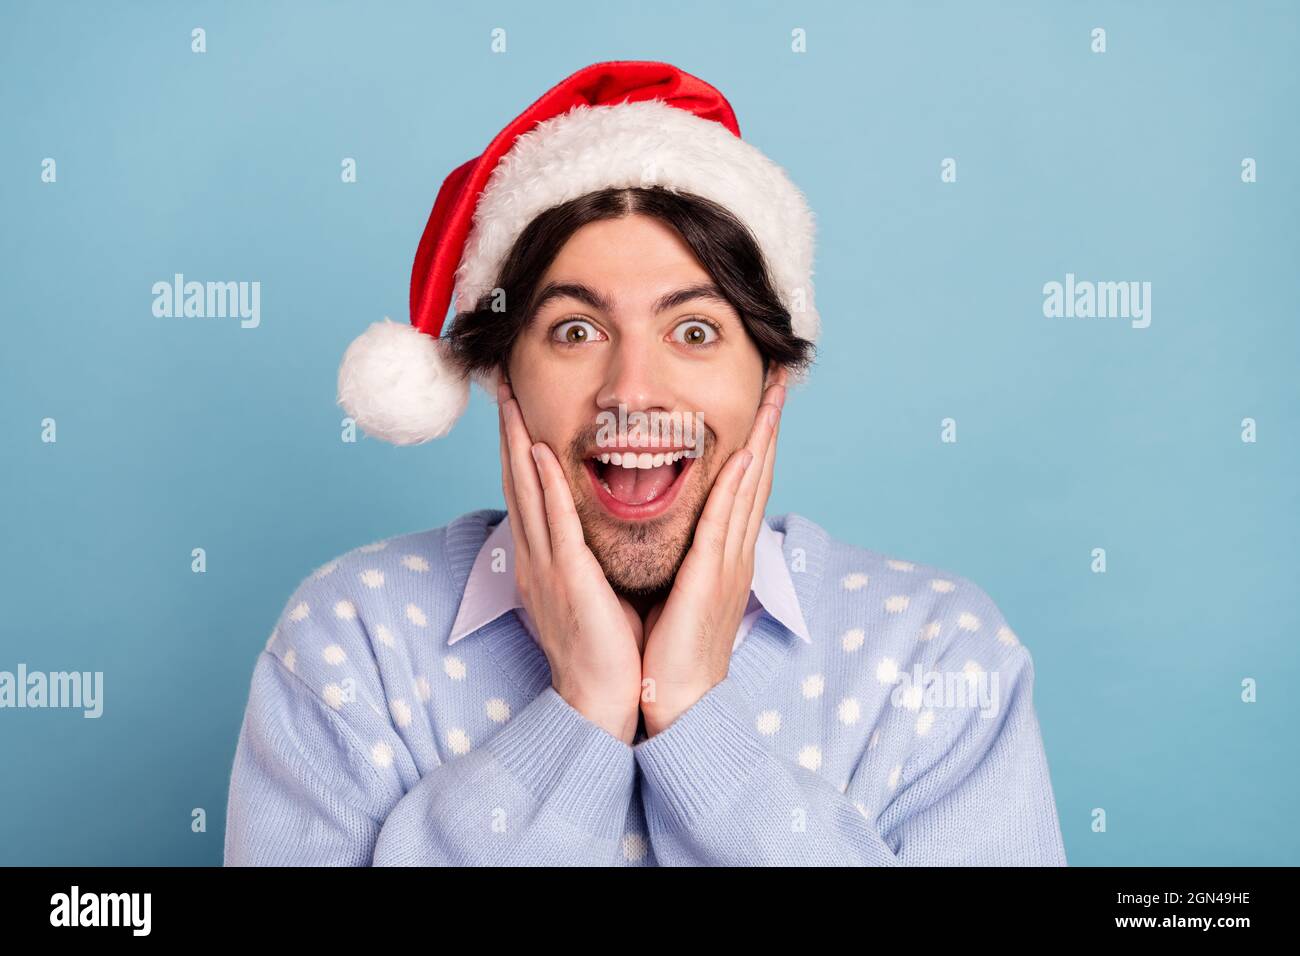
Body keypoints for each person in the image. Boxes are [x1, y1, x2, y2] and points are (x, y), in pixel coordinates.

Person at [224, 60, 1068, 866]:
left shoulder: (938, 657)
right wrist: (581, 714)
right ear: (498, 372)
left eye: (694, 332)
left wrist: (695, 719)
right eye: (575, 331)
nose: (632, 391)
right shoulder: (351, 641)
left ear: (773, 375)